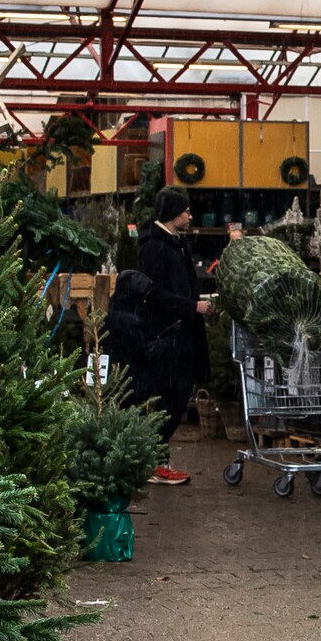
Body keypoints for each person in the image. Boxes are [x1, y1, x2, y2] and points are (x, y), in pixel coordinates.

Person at [125, 187, 213, 486]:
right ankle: (154, 460)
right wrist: (191, 306)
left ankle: (154, 458)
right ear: (174, 213)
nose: (190, 215)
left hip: (183, 332)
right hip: (167, 335)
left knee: (177, 396)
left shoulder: (177, 244)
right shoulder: (155, 247)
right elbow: (154, 292)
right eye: (186, 210)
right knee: (170, 398)